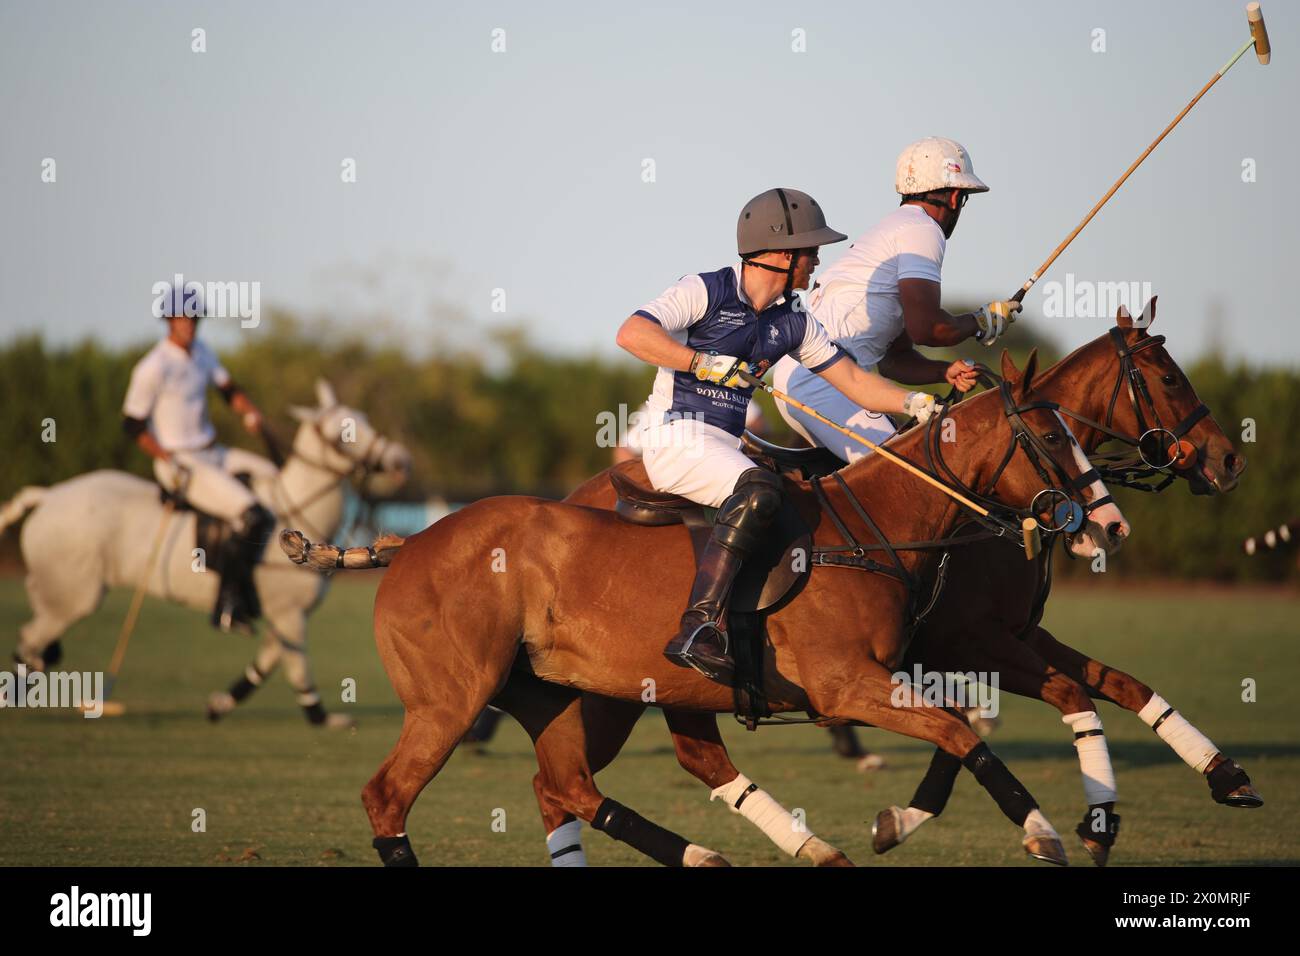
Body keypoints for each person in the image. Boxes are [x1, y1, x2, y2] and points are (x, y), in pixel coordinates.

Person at [615, 188, 937, 684]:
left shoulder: (794, 322)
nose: (817, 261)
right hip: (675, 435)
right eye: (811, 251)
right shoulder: (706, 290)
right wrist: (701, 362)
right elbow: (632, 334)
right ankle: (698, 628)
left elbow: (852, 383)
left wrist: (913, 403)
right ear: (784, 254)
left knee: (798, 498)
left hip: (724, 443)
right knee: (759, 490)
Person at [772, 137, 1021, 461]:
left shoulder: (892, 230)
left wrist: (943, 372)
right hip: (825, 382)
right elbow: (928, 329)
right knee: (919, 480)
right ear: (957, 197)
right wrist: (980, 322)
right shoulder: (923, 230)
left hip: (803, 379)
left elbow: (893, 360)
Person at [121, 282, 277, 632]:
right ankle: (227, 604)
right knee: (250, 514)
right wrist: (165, 457)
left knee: (274, 477)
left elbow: (228, 390)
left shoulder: (203, 352)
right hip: (179, 461)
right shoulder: (153, 366)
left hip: (213, 452)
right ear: (169, 321)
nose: (189, 324)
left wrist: (249, 413)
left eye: (194, 318)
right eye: (182, 319)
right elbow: (132, 424)